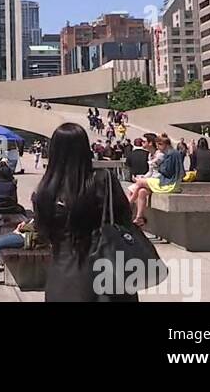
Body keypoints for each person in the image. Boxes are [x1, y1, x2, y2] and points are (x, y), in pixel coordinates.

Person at [33, 123, 136, 302]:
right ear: (84, 148)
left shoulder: (44, 191)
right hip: (105, 274)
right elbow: (124, 218)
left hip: (62, 277)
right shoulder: (103, 180)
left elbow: (43, 232)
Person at [128, 135, 184, 227]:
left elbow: (166, 171)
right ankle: (139, 218)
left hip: (167, 183)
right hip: (165, 181)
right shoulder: (170, 153)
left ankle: (129, 204)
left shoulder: (170, 154)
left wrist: (158, 166)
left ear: (164, 144)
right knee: (142, 192)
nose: (157, 147)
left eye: (159, 145)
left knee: (140, 182)